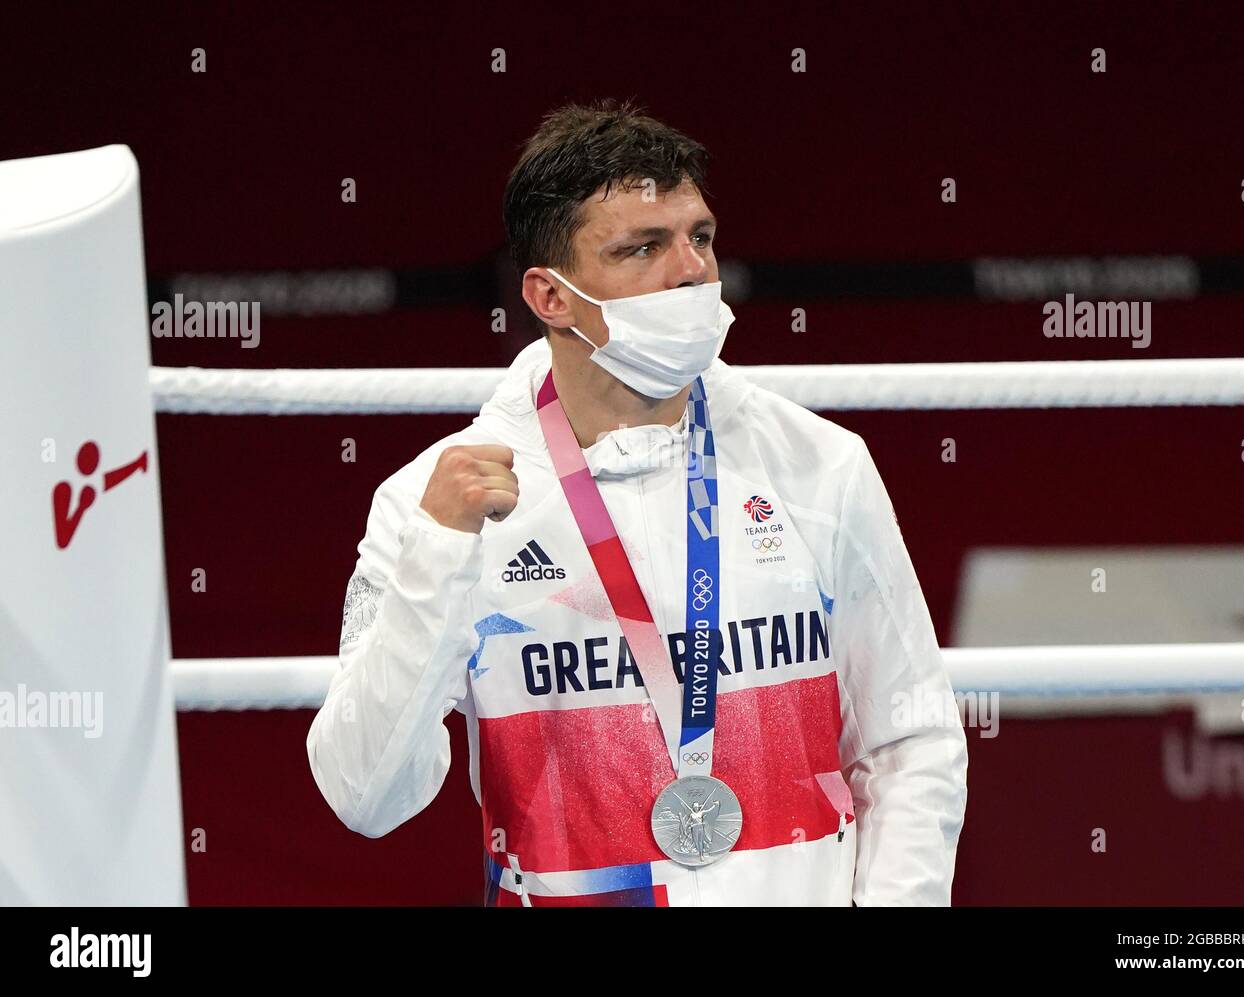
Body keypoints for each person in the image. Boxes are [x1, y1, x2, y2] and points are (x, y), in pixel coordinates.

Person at [306, 98, 968, 906]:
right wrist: (438, 556)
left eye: (700, 237)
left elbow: (912, 735)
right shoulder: (430, 505)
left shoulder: (819, 465)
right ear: (550, 297)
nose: (690, 269)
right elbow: (365, 793)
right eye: (642, 247)